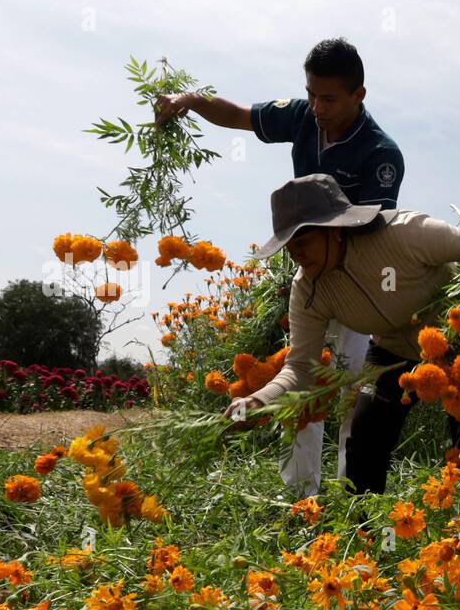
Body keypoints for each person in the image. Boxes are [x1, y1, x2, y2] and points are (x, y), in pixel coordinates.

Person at [155, 37, 403, 495]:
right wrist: (189, 101)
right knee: (304, 383)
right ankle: (301, 496)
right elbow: (239, 116)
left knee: (349, 394)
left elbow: (374, 230)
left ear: (358, 95)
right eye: (310, 93)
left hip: (357, 287)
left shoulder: (381, 154)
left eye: (328, 98)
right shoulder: (302, 117)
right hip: (311, 277)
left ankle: (352, 498)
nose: (317, 107)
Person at [223, 174, 460, 511]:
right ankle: (365, 530)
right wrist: (257, 400)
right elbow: (300, 367)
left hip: (457, 343)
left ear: (335, 229)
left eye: (303, 242)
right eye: (290, 247)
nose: (297, 255)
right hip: (393, 351)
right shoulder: (309, 290)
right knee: (365, 436)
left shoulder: (403, 233)